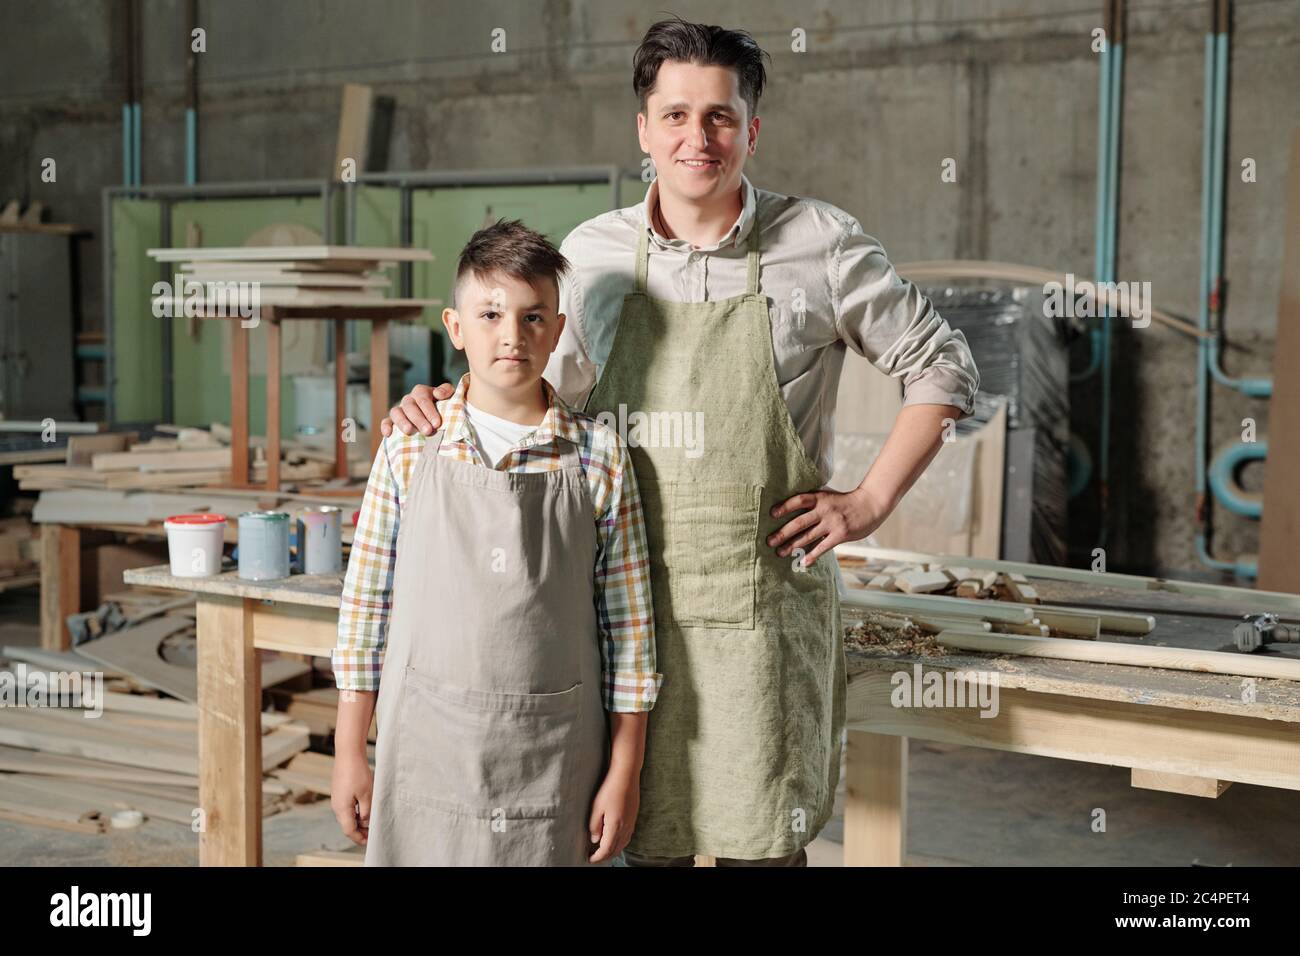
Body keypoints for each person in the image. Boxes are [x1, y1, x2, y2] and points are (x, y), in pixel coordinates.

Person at [382, 18, 979, 866]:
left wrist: (870, 502)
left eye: (720, 117)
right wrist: (443, 403)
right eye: (674, 115)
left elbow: (942, 365)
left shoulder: (820, 244)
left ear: (752, 129)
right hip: (616, 613)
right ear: (643, 130)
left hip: (756, 618)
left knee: (760, 848)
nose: (697, 138)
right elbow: (542, 397)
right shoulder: (590, 258)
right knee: (637, 844)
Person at [331, 219, 661, 865]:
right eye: (490, 314)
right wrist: (350, 754)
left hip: (552, 757)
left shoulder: (600, 458)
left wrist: (625, 772)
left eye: (534, 317)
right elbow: (364, 613)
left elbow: (630, 635)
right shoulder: (407, 448)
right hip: (426, 750)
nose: (512, 335)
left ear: (559, 330)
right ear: (455, 328)